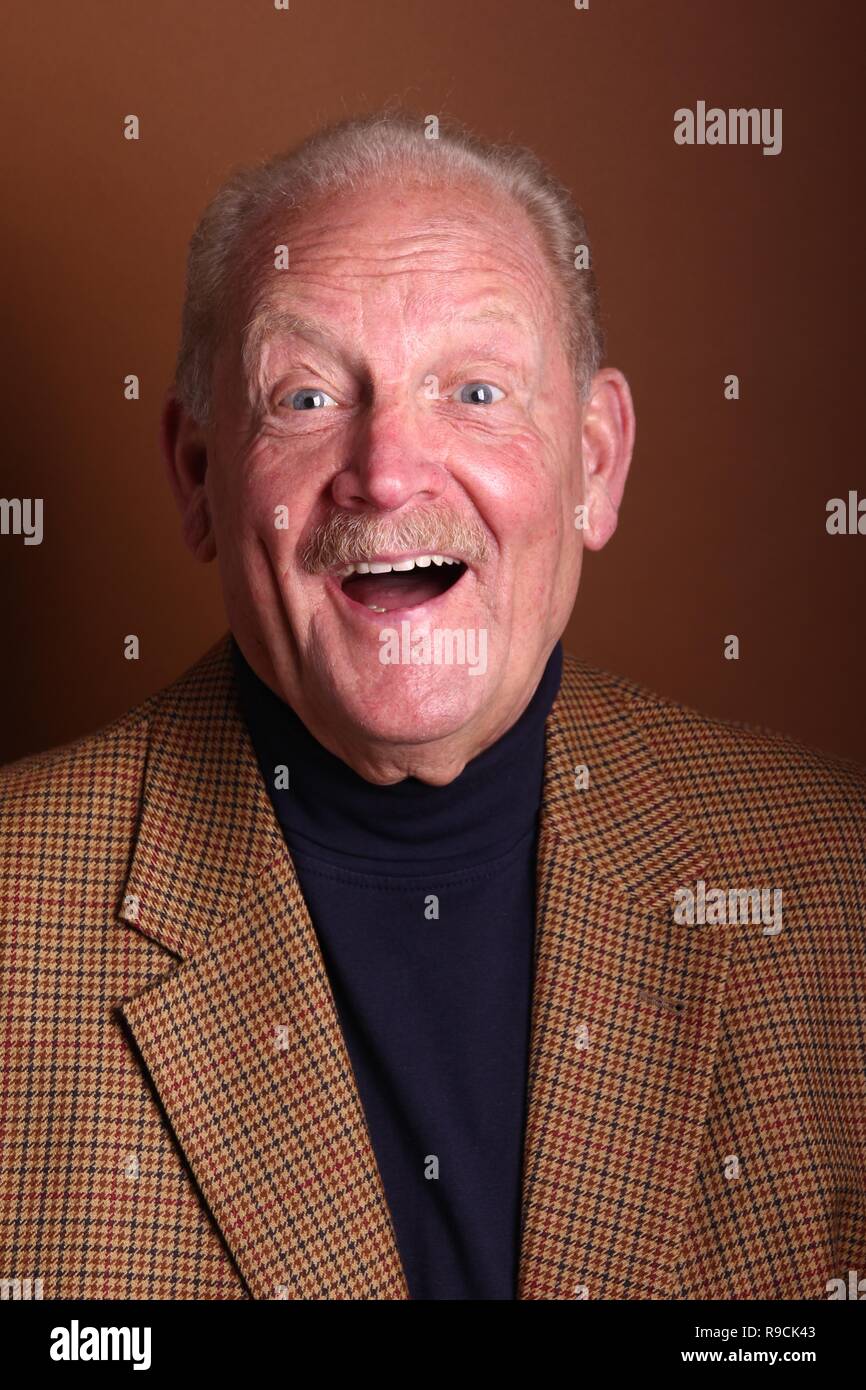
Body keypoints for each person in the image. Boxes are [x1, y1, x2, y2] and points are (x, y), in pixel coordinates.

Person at [1, 109, 864, 1301]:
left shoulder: (831, 880)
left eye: (473, 388)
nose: (389, 469)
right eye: (305, 397)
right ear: (200, 476)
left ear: (595, 464)